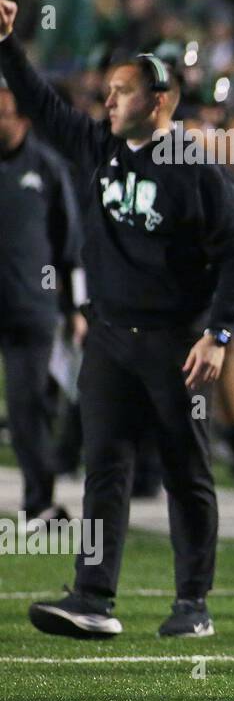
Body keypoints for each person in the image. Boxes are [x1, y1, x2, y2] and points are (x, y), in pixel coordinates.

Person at [0, 0, 234, 639]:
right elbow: (41, 105)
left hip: (177, 343)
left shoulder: (195, 167)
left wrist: (218, 333)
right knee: (103, 471)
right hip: (110, 339)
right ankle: (93, 597)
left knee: (185, 471)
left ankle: (193, 602)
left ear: (160, 101)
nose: (107, 103)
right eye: (107, 92)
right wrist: (6, 45)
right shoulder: (99, 148)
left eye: (121, 93)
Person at [0, 82, 85, 528]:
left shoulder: (47, 169)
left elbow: (68, 245)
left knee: (27, 406)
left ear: (24, 119)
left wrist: (74, 309)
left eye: (3, 113)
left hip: (30, 308)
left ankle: (40, 502)